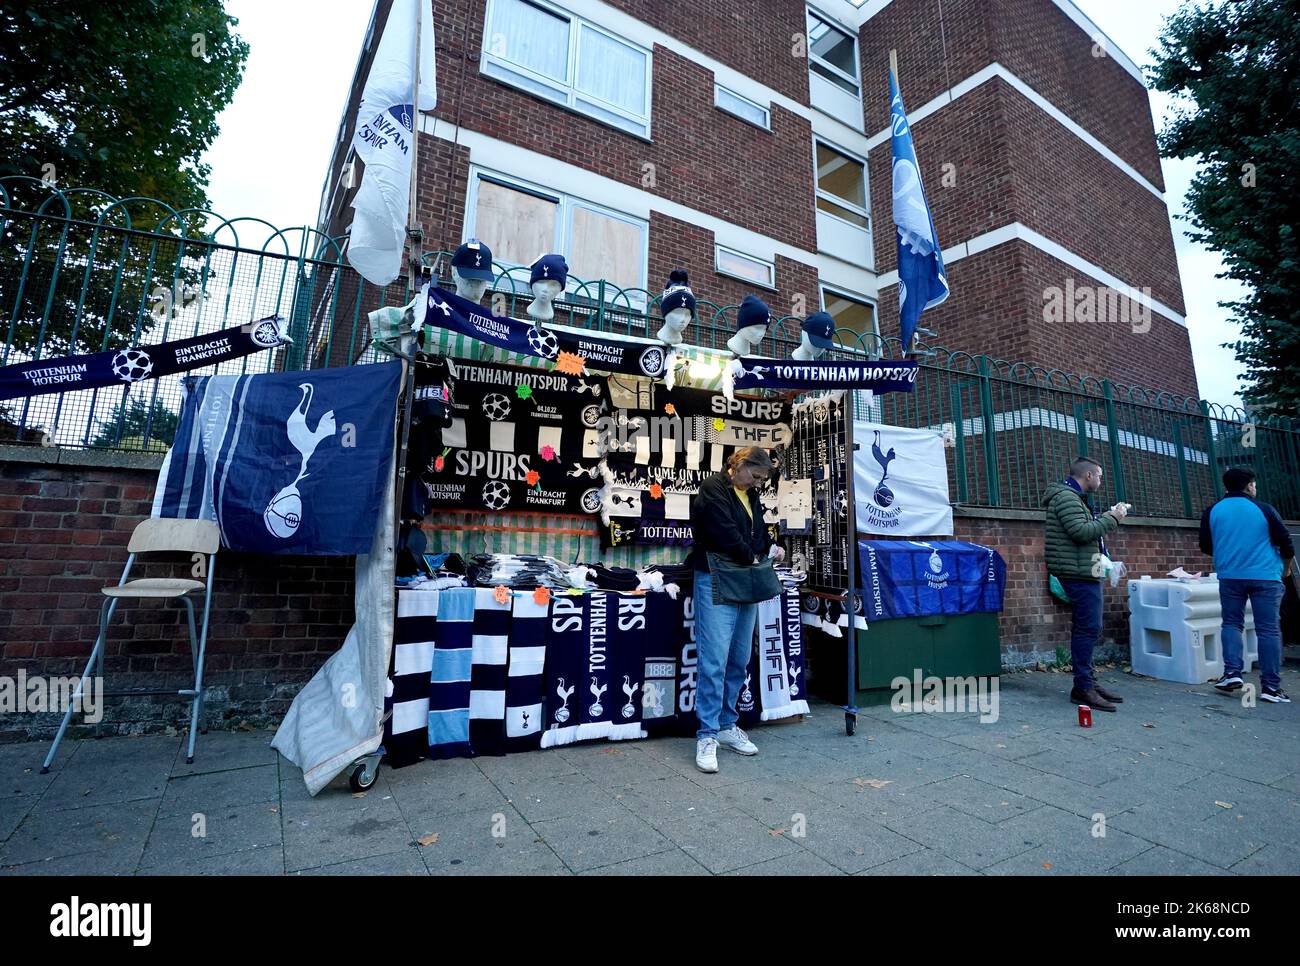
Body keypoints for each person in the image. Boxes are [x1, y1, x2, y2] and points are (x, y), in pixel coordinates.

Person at [686, 447, 784, 773]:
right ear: (739, 465)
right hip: (715, 577)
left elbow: (758, 532)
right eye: (754, 476)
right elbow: (723, 533)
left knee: (739, 658)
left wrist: (771, 548)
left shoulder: (749, 494)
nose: (757, 483)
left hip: (744, 579)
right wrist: (754, 557)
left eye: (761, 479)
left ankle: (727, 724)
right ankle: (708, 733)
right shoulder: (713, 487)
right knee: (714, 658)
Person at [1042, 456, 1129, 712]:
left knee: (1089, 628)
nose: (1101, 480)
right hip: (1077, 574)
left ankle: (1088, 682)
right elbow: (1081, 532)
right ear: (1088, 475)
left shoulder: (1073, 498)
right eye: (1100, 475)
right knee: (1087, 628)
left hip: (1084, 570)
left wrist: (1105, 516)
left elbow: (1083, 528)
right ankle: (1083, 688)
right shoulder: (1067, 498)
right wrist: (1113, 517)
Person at [1201, 467, 1294, 703]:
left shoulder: (1212, 511)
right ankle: (1271, 688)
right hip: (1265, 576)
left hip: (1230, 576)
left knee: (1232, 623)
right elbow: (1286, 542)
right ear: (1249, 486)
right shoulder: (1263, 509)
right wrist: (1286, 568)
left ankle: (1232, 673)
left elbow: (1205, 545)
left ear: (1226, 486)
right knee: (1268, 629)